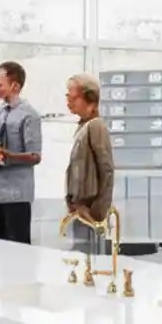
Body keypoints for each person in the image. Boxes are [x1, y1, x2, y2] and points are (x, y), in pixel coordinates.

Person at [0, 61, 42, 244]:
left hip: (16, 197)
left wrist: (6, 156)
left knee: (18, 252)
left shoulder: (29, 115)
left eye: (0, 84)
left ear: (15, 86)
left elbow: (35, 156)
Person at [64, 73, 115, 224]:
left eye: (74, 98)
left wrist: (97, 213)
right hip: (79, 208)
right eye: (68, 97)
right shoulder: (83, 127)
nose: (69, 102)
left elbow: (107, 170)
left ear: (91, 101)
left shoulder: (95, 126)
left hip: (88, 210)